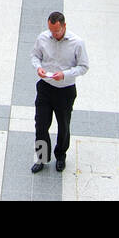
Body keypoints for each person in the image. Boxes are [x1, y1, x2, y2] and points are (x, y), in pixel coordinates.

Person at [30, 11, 89, 173]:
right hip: (45, 87)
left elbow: (83, 66)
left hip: (65, 90)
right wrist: (39, 67)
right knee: (41, 125)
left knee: (63, 126)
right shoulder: (43, 38)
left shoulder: (77, 43)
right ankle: (42, 158)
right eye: (51, 30)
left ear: (64, 26)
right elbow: (35, 56)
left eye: (57, 31)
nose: (54, 34)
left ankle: (61, 156)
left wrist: (65, 74)